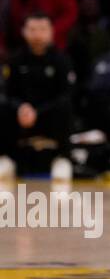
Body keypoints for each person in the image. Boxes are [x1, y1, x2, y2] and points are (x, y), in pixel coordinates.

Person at [0, 13, 76, 171]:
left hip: (48, 113)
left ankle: (62, 157)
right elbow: (7, 93)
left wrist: (38, 111)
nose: (37, 35)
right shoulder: (15, 60)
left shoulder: (61, 60)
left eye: (42, 29)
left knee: (66, 106)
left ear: (51, 31)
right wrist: (20, 107)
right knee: (3, 107)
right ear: (24, 31)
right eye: (32, 30)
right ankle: (6, 157)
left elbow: (66, 94)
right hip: (22, 115)